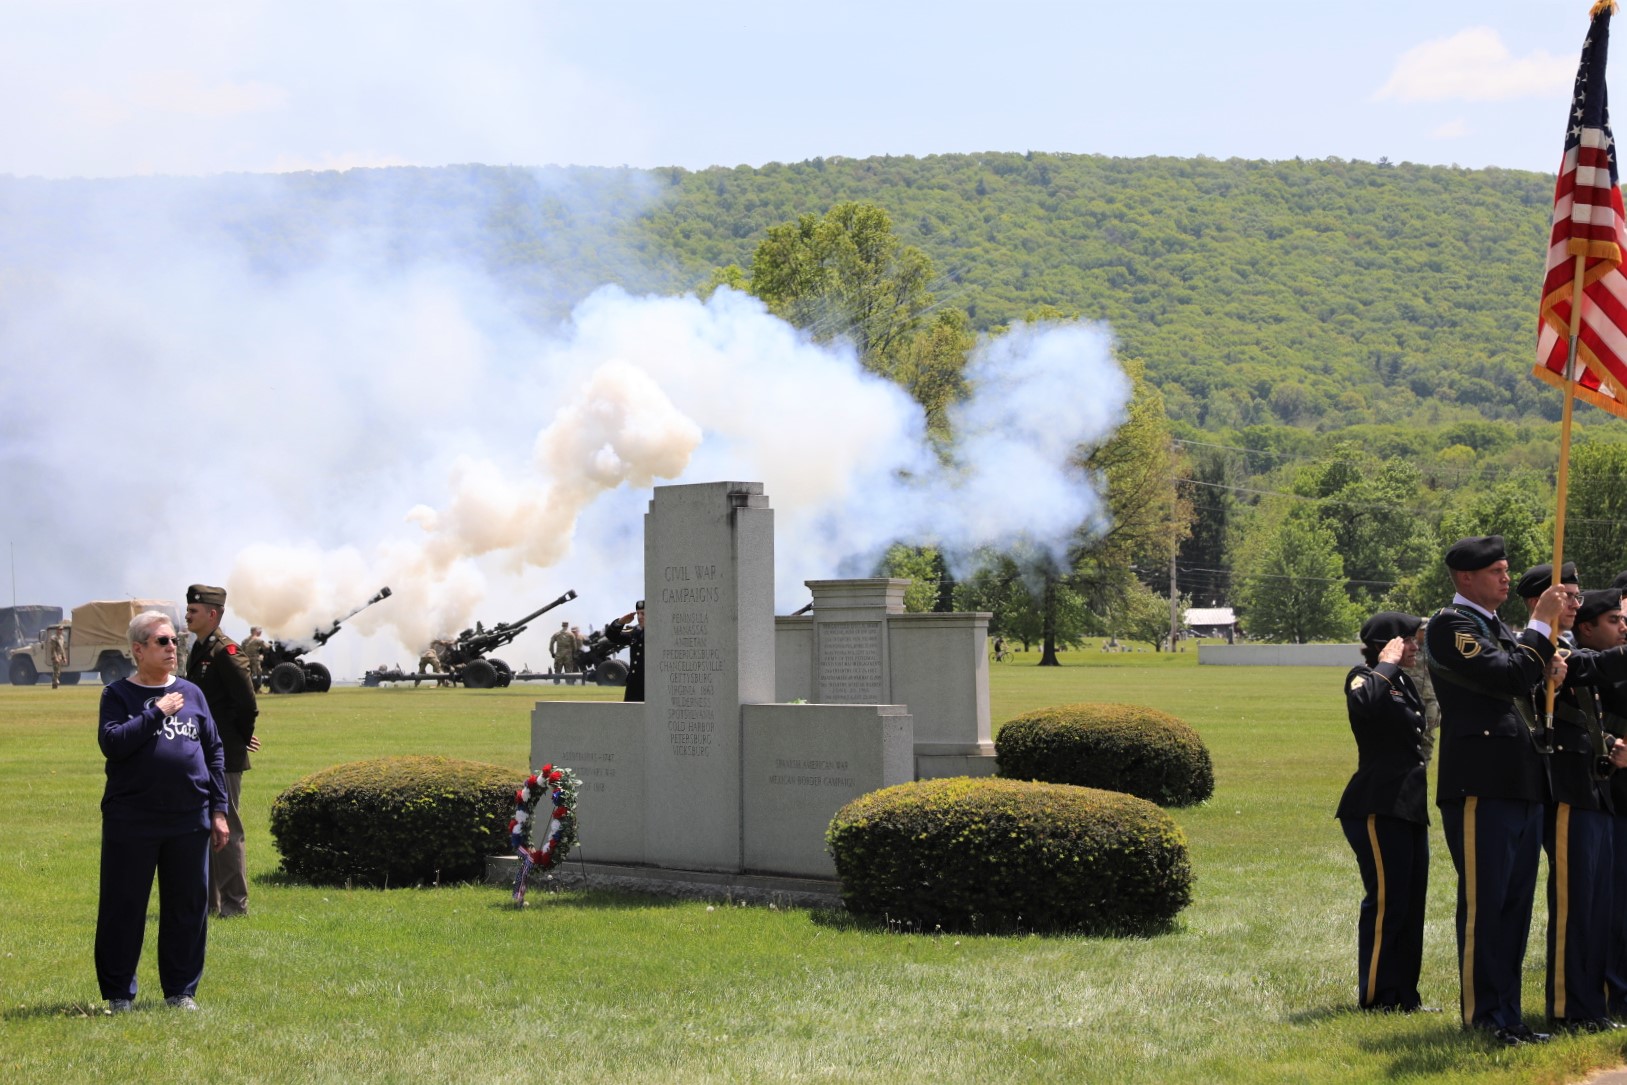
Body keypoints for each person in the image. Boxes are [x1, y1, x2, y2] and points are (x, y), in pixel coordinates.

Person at [1425, 536, 1570, 1046]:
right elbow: (1505, 675)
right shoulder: (1452, 625)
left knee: (1514, 905)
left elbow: (1521, 678)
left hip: (1519, 781)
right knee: (1486, 903)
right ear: (1466, 577)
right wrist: (1539, 628)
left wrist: (1546, 667)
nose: (1506, 579)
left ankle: (1509, 1014)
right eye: (1496, 571)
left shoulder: (1496, 628)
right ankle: (1483, 1014)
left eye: (1507, 570)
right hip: (1480, 783)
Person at [96, 610, 230, 1013]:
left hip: (189, 820)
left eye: (174, 641)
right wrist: (157, 712)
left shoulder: (193, 693)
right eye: (162, 641)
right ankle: (119, 995)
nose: (172, 647)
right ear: (138, 650)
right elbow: (113, 744)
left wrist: (219, 810)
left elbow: (214, 751)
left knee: (187, 909)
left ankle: (180, 992)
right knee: (124, 907)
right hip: (131, 820)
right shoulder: (118, 695)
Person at [1538, 582, 1627, 1030]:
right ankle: (1566, 1006)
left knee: (1598, 907)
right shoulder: (1550, 650)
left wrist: (1609, 742)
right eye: (1614, 620)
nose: (1622, 627)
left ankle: (1590, 1005)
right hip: (1568, 789)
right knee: (1576, 907)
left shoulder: (1574, 654)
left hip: (1596, 790)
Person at [1337, 611, 1432, 1012]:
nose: (1415, 647)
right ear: (1385, 644)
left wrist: (1396, 669)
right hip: (1376, 805)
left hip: (1408, 806)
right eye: (1407, 641)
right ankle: (1377, 996)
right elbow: (1364, 706)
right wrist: (1386, 665)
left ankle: (1404, 997)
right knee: (1387, 903)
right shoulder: (1364, 675)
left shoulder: (1406, 682)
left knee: (1411, 905)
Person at [185, 584, 259, 918]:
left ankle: (234, 904)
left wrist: (241, 737)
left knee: (226, 825)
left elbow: (247, 703)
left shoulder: (227, 653)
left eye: (194, 611)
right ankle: (210, 902)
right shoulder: (198, 649)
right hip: (199, 751)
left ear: (212, 614)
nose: (188, 614)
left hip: (224, 754)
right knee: (204, 827)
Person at [605, 600, 645, 702]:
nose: (640, 617)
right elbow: (611, 636)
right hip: (634, 687)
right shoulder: (635, 632)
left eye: (644, 613)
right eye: (638, 613)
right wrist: (621, 622)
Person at [548, 621, 575, 685]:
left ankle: (556, 685)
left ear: (562, 625)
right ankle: (568, 685)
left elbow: (551, 644)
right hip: (568, 656)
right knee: (568, 673)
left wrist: (552, 653)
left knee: (557, 672)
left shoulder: (556, 634)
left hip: (558, 656)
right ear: (567, 626)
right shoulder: (571, 635)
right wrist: (573, 654)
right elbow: (574, 646)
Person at [242, 627, 267, 692]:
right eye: (258, 631)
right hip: (255, 660)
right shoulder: (258, 639)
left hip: (246, 660)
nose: (260, 632)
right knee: (258, 673)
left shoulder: (245, 640)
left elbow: (242, 649)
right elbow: (266, 647)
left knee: (248, 674)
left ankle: (248, 689)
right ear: (255, 631)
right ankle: (257, 689)